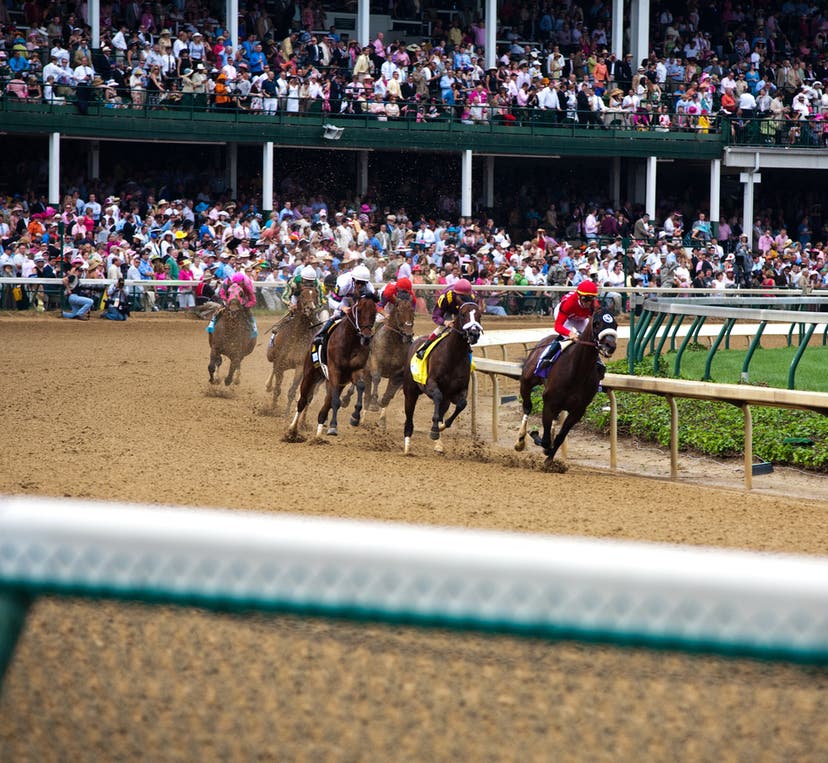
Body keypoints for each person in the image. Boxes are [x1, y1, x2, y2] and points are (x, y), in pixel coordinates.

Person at [537, 279, 599, 369]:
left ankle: (597, 361)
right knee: (566, 337)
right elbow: (558, 326)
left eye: (591, 299)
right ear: (579, 296)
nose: (588, 303)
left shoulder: (595, 305)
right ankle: (547, 357)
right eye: (585, 299)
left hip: (580, 318)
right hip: (566, 316)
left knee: (591, 336)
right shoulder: (569, 303)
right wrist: (570, 333)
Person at [415, 278, 476, 359]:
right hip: (448, 309)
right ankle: (424, 348)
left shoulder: (471, 297)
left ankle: (468, 353)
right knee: (442, 328)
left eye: (465, 297)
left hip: (462, 311)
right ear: (455, 294)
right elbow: (436, 316)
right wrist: (445, 322)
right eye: (461, 297)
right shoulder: (446, 297)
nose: (463, 300)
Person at [316, 263, 376, 337]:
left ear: (366, 282)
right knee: (337, 315)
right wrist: (342, 307)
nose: (360, 285)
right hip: (343, 299)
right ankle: (321, 335)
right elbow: (331, 301)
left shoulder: (370, 288)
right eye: (358, 282)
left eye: (362, 283)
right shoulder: (343, 285)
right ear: (353, 279)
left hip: (357, 301)